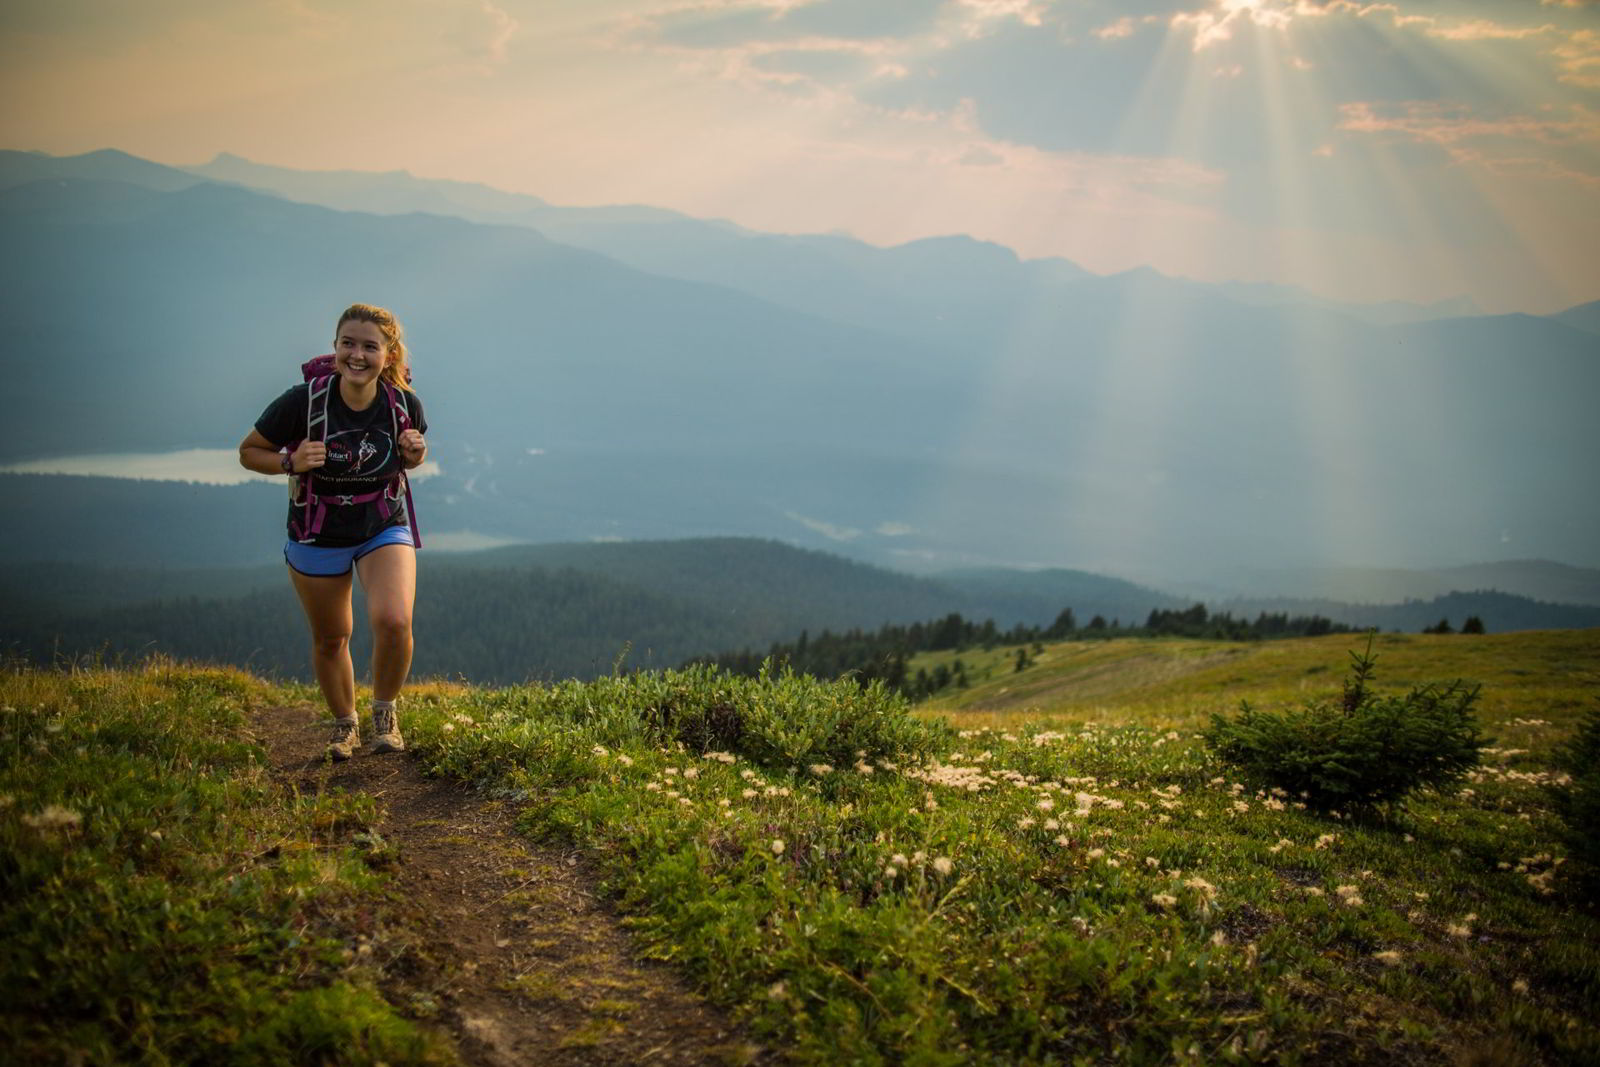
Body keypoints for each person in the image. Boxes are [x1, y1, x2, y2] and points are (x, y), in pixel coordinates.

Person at [238, 303, 429, 761]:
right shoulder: (302, 402)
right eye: (348, 344)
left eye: (369, 346)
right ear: (335, 347)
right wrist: (290, 461)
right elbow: (249, 452)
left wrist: (416, 452)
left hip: (381, 522)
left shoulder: (403, 404)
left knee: (394, 620)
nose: (357, 355)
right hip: (316, 530)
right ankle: (345, 725)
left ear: (388, 354)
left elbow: (409, 458)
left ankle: (385, 714)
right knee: (332, 636)